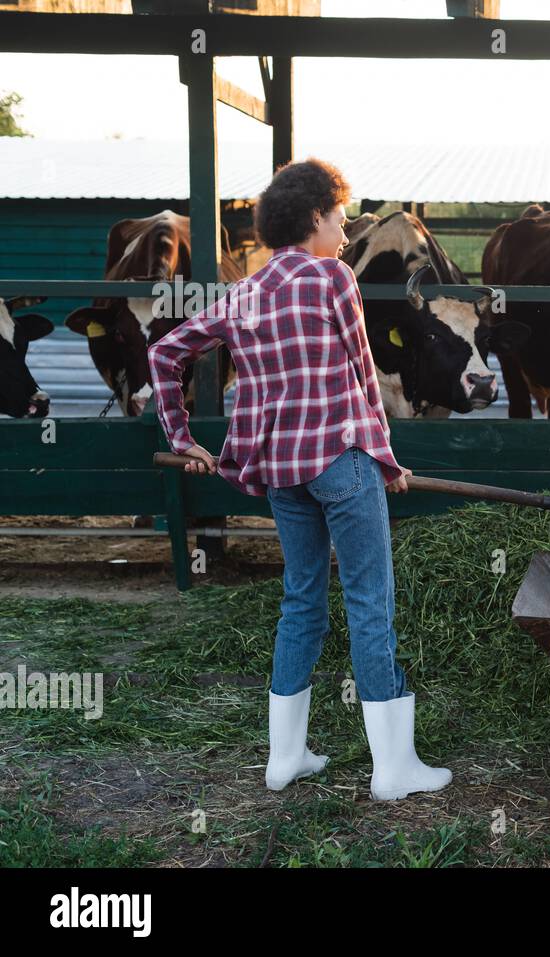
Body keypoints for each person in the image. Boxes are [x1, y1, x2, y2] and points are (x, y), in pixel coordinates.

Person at [147, 158, 452, 801]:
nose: (344, 235)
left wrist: (181, 437)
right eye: (340, 220)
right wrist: (388, 463)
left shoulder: (244, 293)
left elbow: (163, 352)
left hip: (282, 477)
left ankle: (283, 758)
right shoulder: (333, 278)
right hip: (341, 466)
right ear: (315, 217)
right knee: (370, 602)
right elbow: (364, 381)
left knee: (301, 600)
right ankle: (393, 770)